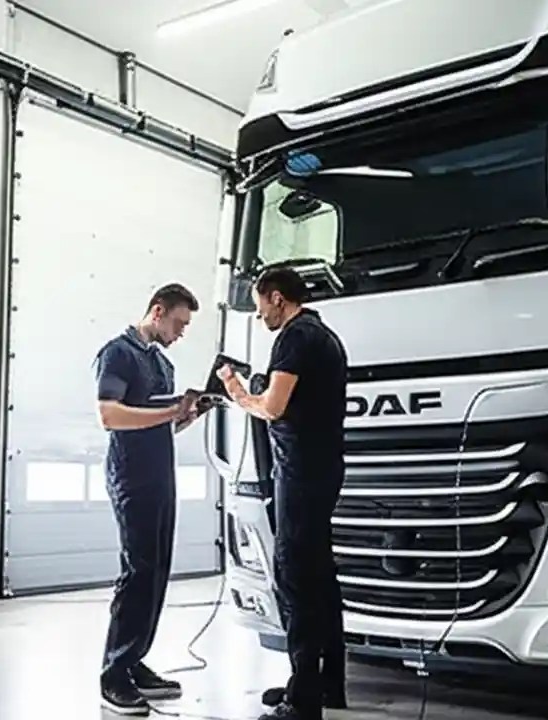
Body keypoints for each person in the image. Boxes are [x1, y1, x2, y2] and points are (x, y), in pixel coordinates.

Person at [218, 266, 349, 720]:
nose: (259, 316)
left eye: (260, 306)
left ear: (277, 298)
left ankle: (303, 702)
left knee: (295, 576)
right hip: (323, 469)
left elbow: (272, 407)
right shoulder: (325, 336)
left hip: (300, 473)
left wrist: (235, 390)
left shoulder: (294, 337)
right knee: (321, 577)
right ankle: (325, 683)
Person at [94, 283, 204, 716]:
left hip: (161, 475)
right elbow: (110, 414)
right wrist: (170, 412)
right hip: (132, 478)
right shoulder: (117, 353)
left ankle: (134, 660)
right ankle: (113, 675)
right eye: (179, 323)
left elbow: (161, 425)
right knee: (137, 572)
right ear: (157, 312)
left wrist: (189, 414)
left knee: (157, 571)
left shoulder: (162, 362)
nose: (181, 333)